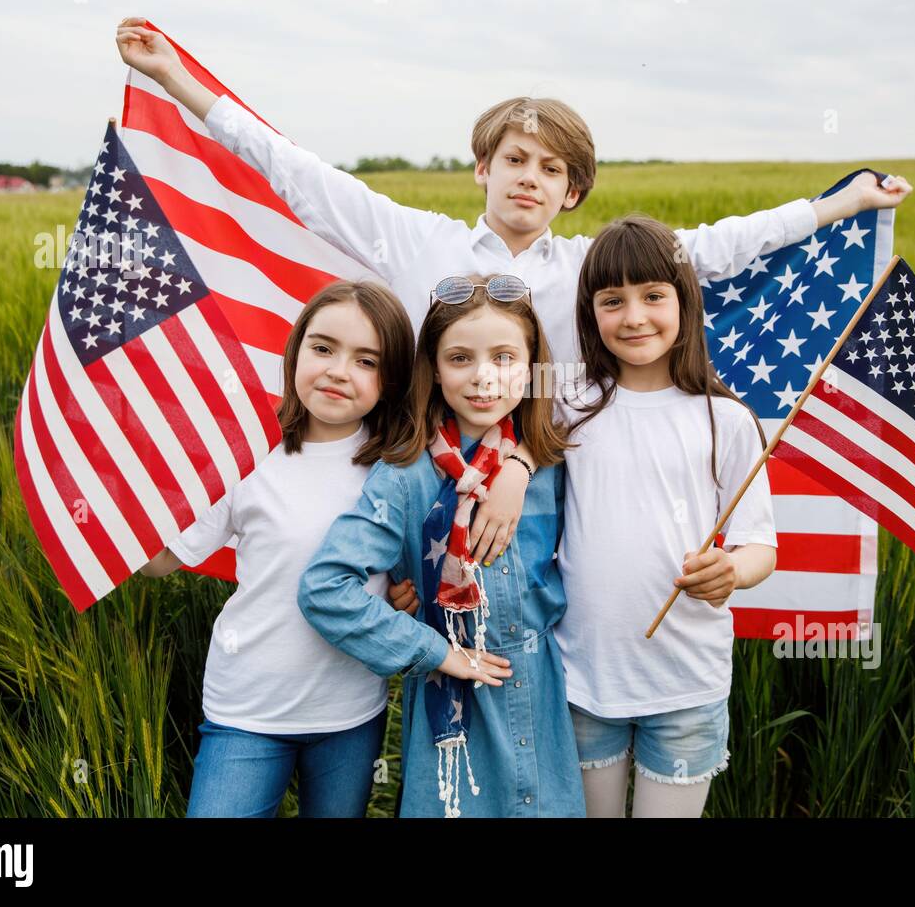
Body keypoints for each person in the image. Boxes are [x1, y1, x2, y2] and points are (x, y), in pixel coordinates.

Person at [115, 16, 913, 569]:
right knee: (399, 653)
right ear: (482, 169)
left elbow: (716, 248)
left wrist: (840, 205)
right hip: (410, 478)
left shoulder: (586, 271)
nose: (530, 178)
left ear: (572, 192)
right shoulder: (416, 238)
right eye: (515, 159)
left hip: (536, 492)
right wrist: (177, 78)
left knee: (515, 667)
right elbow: (295, 170)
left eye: (552, 168)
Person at [297, 273, 584, 817]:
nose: (483, 378)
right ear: (433, 367)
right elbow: (326, 588)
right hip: (453, 708)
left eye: (504, 358)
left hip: (544, 693)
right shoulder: (406, 475)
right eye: (459, 359)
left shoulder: (552, 463)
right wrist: (435, 651)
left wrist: (521, 465)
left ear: (533, 369)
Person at [138, 280, 416, 817]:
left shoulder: (397, 469)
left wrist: (405, 593)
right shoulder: (247, 454)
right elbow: (160, 561)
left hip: (349, 713)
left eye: (366, 360)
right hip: (248, 711)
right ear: (295, 353)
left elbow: (415, 571)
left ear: (391, 379)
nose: (338, 370)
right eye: (323, 348)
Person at [555, 214, 780, 818]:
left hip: (687, 683)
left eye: (654, 296)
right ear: (590, 312)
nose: (634, 317)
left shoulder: (725, 419)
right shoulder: (568, 408)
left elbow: (761, 544)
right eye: (613, 300)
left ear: (685, 302)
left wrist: (731, 570)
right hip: (584, 681)